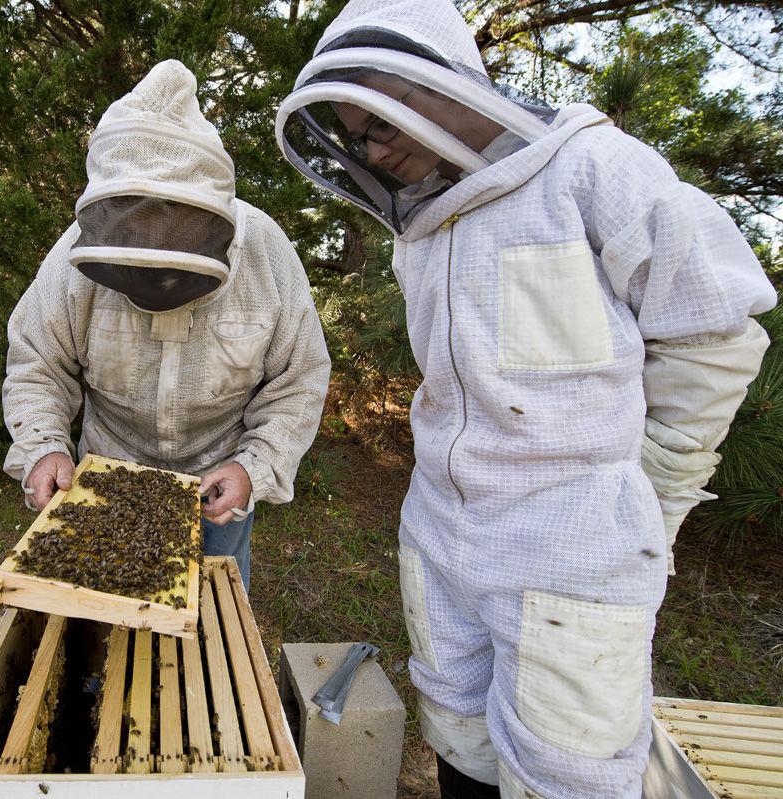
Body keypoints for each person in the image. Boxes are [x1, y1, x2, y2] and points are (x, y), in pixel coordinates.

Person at [275, 2, 776, 798]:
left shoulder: (595, 170)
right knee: (459, 738)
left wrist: (652, 494)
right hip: (443, 534)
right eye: (356, 131)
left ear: (444, 83)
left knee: (565, 774)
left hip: (571, 549)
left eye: (379, 115)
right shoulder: (423, 228)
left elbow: (714, 331)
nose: (372, 146)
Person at [3, 60, 331, 587]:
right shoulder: (71, 258)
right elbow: (38, 362)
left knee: (208, 637)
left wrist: (254, 467)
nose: (154, 280)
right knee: (98, 632)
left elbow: (299, 380)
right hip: (102, 483)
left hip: (217, 486)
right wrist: (42, 446)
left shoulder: (266, 255)